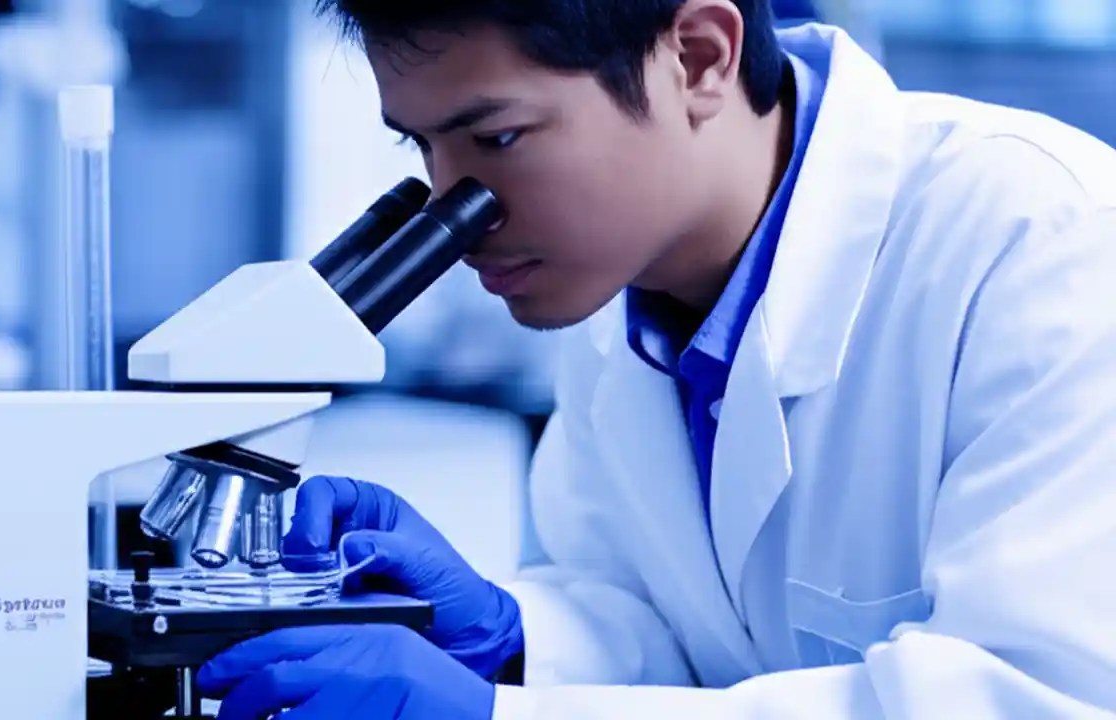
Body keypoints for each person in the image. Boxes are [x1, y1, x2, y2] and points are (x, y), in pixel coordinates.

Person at [194, 1, 1116, 718]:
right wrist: (514, 640)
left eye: (497, 139)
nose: (457, 209)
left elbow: (1037, 697)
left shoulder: (1044, 245)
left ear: (699, 57)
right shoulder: (622, 290)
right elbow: (681, 637)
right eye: (420, 145)